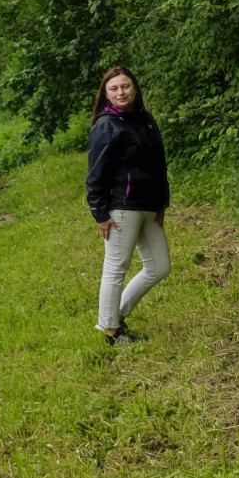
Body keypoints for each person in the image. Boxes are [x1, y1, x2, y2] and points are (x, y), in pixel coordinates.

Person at [85, 65, 170, 346]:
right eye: (114, 88)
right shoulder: (106, 125)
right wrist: (100, 213)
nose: (121, 92)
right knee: (116, 267)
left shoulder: (145, 119)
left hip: (149, 206)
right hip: (122, 206)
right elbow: (95, 174)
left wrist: (162, 202)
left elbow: (159, 163)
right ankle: (111, 331)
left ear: (134, 88)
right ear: (106, 94)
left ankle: (115, 313)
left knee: (159, 266)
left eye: (125, 86)